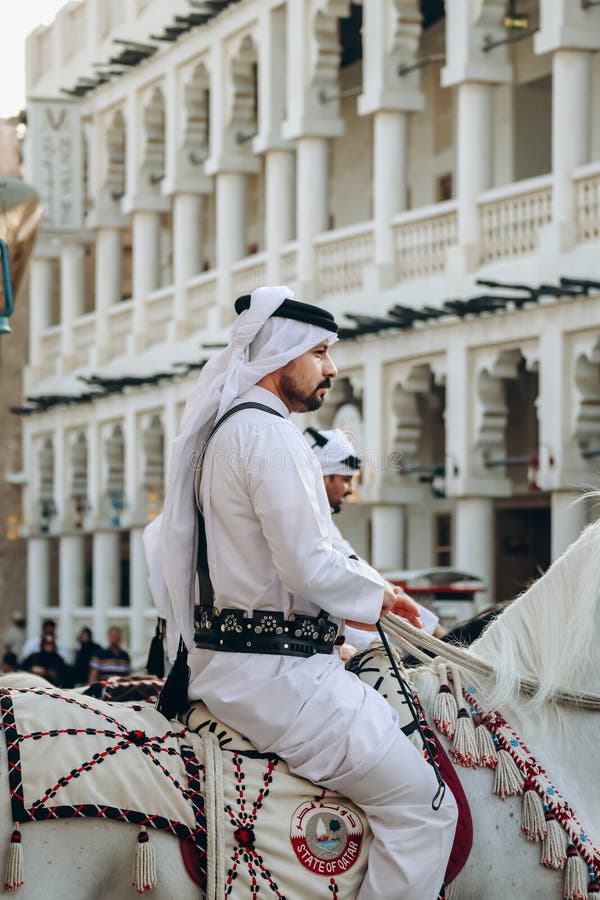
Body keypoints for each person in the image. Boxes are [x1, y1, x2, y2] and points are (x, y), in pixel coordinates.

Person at [145, 285, 457, 900]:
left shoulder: (237, 429)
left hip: (260, 668)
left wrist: (373, 591)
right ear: (281, 354)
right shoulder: (269, 435)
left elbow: (317, 554)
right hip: (278, 678)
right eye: (319, 352)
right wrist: (383, 601)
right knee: (426, 808)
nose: (331, 369)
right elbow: (309, 565)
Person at [304, 426, 446, 655]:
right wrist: (429, 632)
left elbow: (360, 572)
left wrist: (430, 629)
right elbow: (334, 588)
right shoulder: (310, 520)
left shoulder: (320, 520)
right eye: (347, 479)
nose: (350, 489)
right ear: (325, 476)